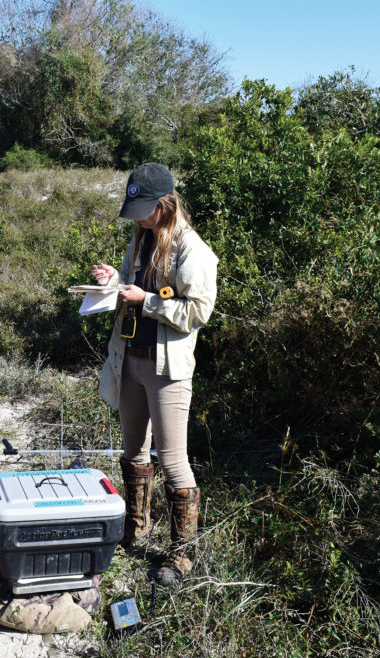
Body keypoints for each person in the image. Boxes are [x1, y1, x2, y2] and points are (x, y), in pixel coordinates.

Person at [91, 163, 218, 585]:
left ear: (166, 204)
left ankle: (183, 552)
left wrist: (146, 301)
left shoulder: (192, 249)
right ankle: (137, 528)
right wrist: (114, 281)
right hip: (131, 360)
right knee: (133, 452)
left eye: (146, 210)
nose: (140, 218)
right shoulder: (142, 239)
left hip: (167, 370)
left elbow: (198, 312)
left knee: (174, 461)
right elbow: (130, 282)